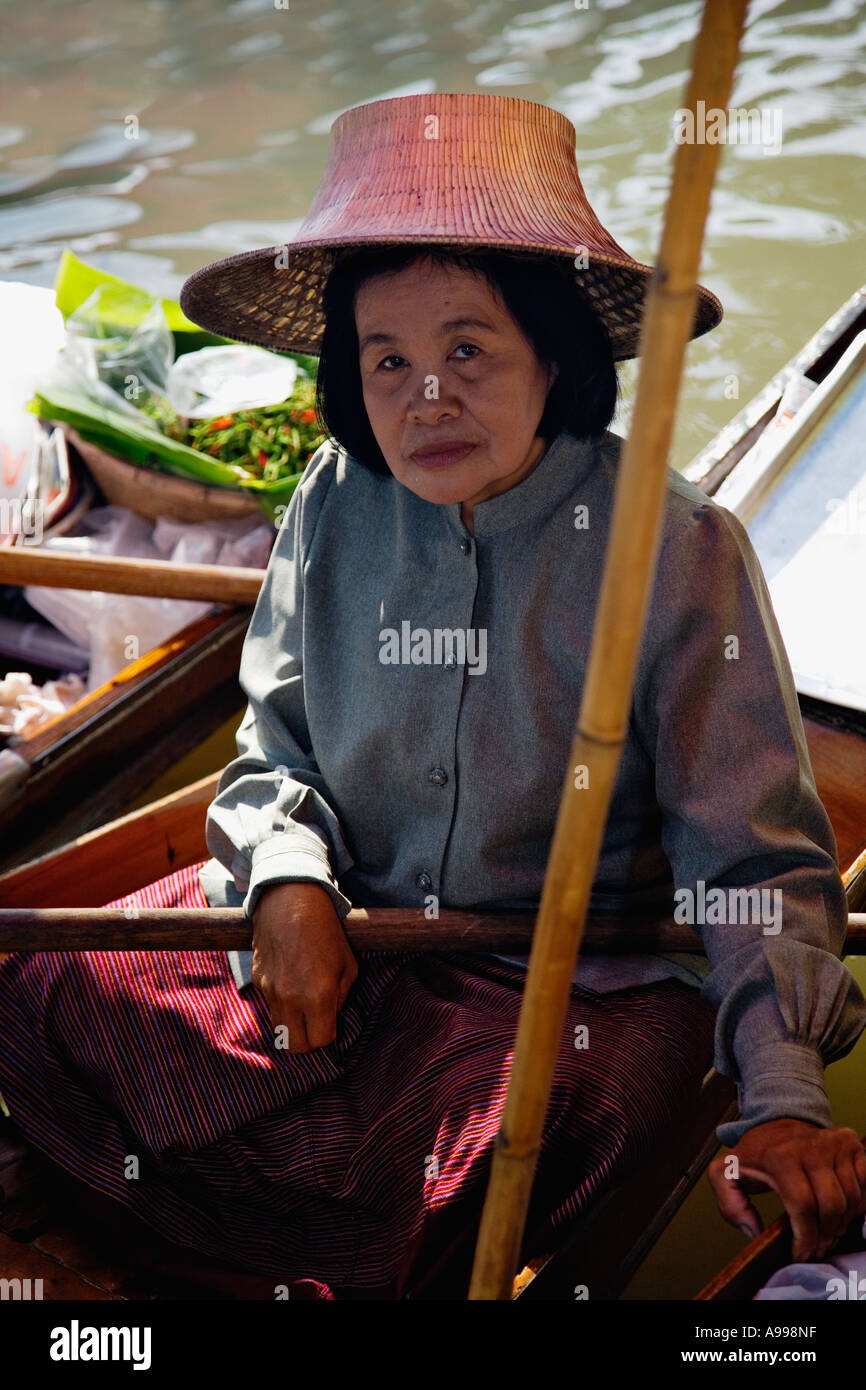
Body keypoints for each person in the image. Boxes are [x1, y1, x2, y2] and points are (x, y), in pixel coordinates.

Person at [1, 93, 864, 1299]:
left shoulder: (672, 549)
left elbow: (748, 864)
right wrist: (288, 876)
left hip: (566, 975)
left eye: (468, 350)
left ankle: (243, 1247)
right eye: (387, 360)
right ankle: (198, 1237)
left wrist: (775, 1098)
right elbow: (274, 743)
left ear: (552, 356)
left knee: (540, 1133)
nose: (425, 397)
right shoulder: (331, 501)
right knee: (47, 990)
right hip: (351, 928)